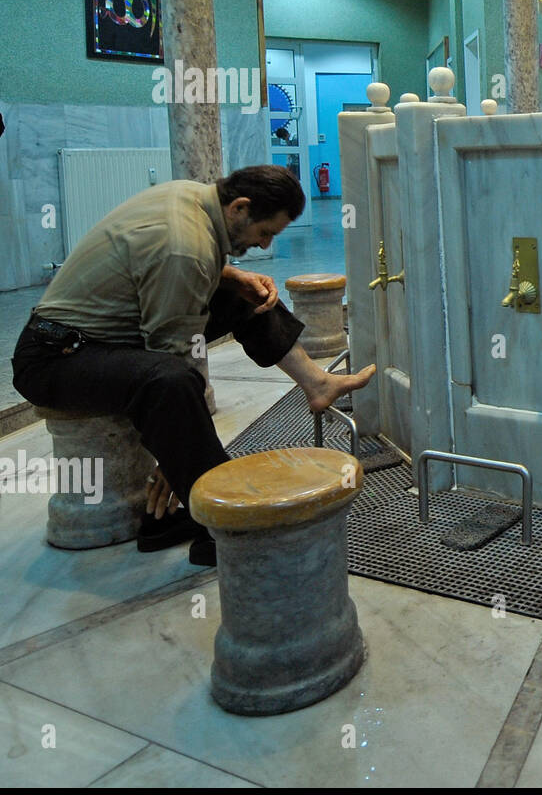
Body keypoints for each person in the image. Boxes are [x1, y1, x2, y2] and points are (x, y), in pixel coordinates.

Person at [11, 165, 375, 565]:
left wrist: (232, 276)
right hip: (56, 357)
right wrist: (177, 451)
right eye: (265, 232)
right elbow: (172, 358)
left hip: (101, 337)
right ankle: (220, 529)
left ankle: (316, 382)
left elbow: (176, 272)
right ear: (240, 207)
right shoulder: (185, 244)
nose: (263, 243)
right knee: (170, 382)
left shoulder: (193, 199)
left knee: (244, 294)